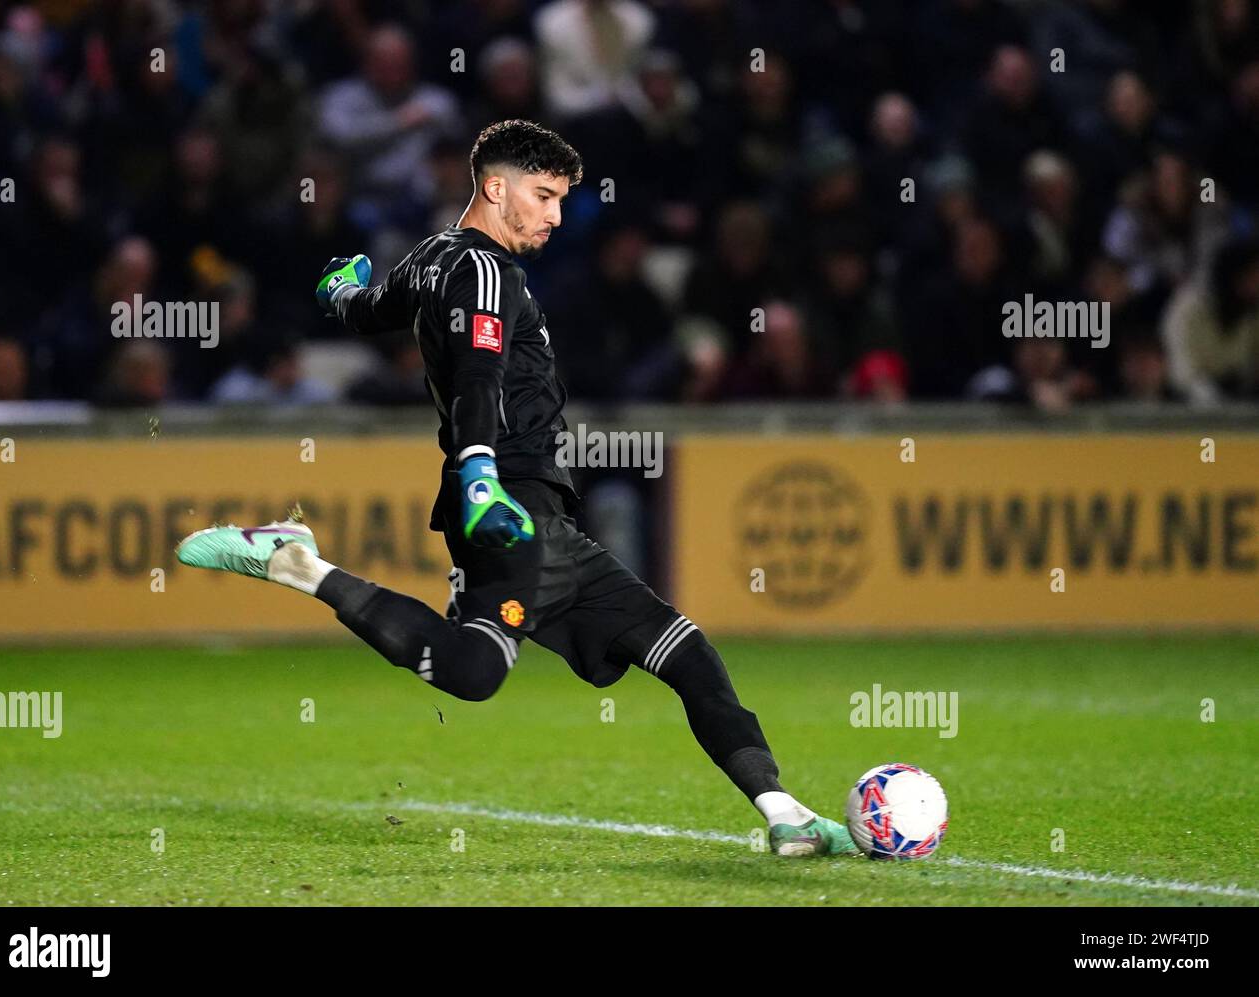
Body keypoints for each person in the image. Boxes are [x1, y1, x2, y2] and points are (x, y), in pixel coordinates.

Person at [177, 119, 855, 858]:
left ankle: (785, 811)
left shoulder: (433, 260)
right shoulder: (491, 271)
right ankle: (302, 566)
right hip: (508, 499)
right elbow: (480, 376)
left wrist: (343, 290)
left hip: (525, 510)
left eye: (562, 198)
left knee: (634, 655)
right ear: (496, 189)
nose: (556, 216)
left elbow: (371, 311)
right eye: (544, 195)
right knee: (638, 655)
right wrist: (478, 474)